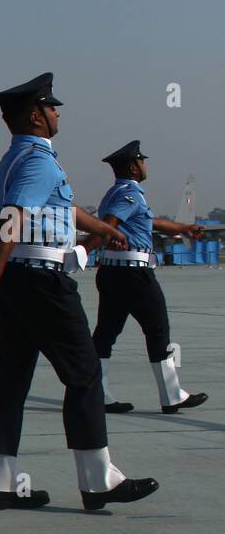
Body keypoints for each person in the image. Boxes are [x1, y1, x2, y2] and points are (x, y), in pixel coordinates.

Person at [0, 73, 158, 512]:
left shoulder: (14, 160)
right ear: (36, 115)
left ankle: (1, 483)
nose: (57, 113)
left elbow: (61, 208)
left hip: (19, 280)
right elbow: (13, 215)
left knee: (12, 379)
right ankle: (98, 478)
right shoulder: (39, 161)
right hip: (41, 280)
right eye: (52, 107)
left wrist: (104, 228)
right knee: (84, 374)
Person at [89, 141, 208, 414]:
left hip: (113, 272)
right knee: (157, 331)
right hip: (133, 274)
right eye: (142, 161)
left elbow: (149, 222)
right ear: (134, 166)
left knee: (106, 334)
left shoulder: (116, 193)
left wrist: (183, 228)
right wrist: (85, 249)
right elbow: (108, 226)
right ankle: (171, 395)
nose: (145, 165)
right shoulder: (128, 195)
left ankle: (99, 395)